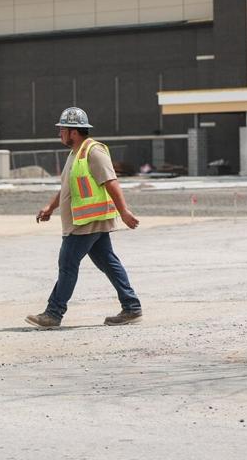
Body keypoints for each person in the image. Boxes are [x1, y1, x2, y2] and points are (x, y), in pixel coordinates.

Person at [26, 106, 143, 329]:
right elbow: (68, 187)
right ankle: (131, 307)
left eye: (63, 129)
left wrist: (124, 212)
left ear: (74, 132)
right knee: (108, 262)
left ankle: (53, 313)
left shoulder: (93, 152)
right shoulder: (75, 154)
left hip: (85, 222)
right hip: (89, 220)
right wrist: (51, 207)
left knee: (68, 265)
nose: (59, 133)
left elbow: (111, 182)